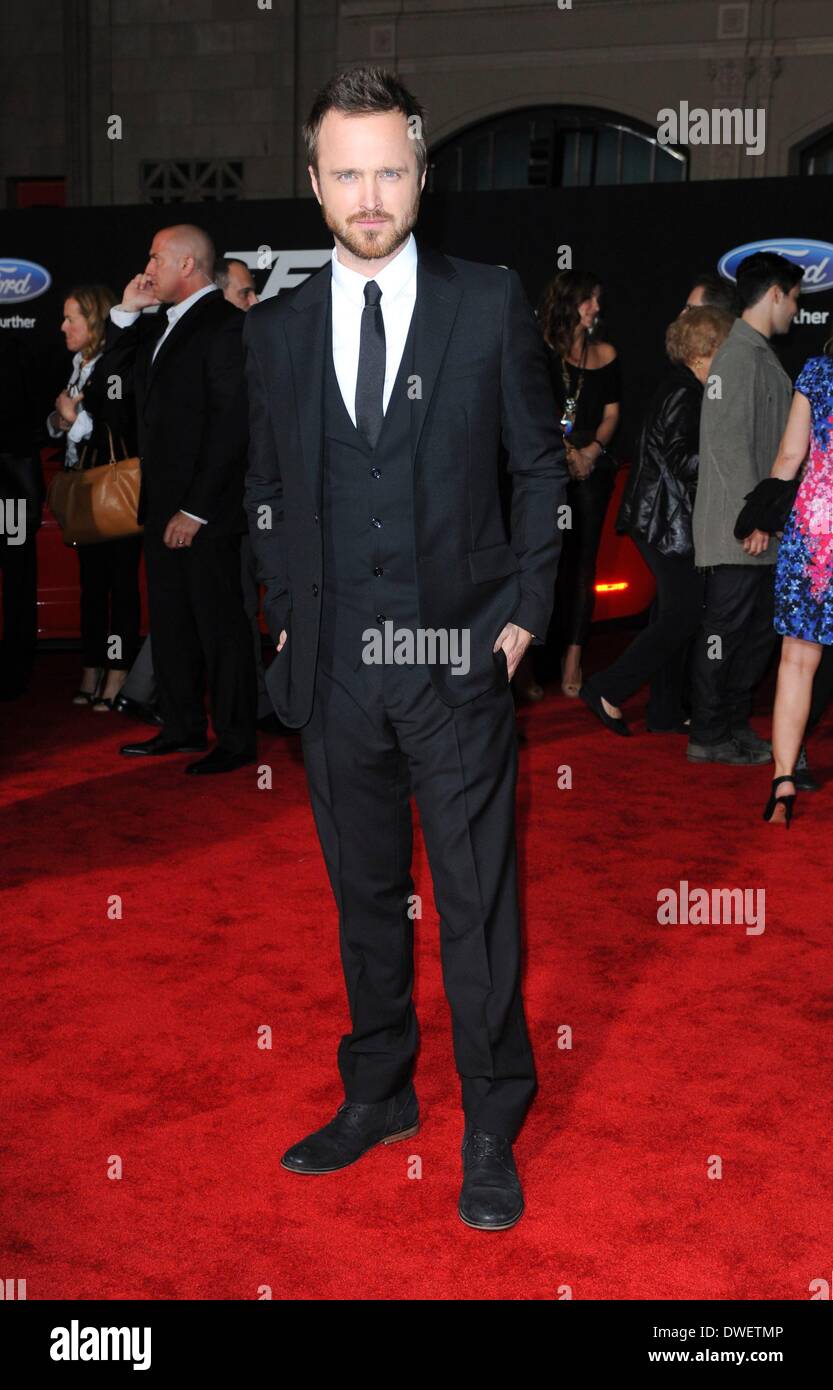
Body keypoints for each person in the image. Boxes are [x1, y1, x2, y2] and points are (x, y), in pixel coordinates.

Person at [243, 66, 567, 1230]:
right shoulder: (275, 330)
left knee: (476, 903)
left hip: (457, 659)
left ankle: (490, 1115)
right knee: (364, 898)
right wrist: (281, 616)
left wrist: (524, 609)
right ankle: (379, 1091)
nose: (369, 195)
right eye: (346, 174)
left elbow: (538, 471)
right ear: (316, 183)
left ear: (421, 172)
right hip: (332, 671)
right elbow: (267, 488)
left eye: (389, 170)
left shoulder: (484, 303)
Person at [111, 224, 257, 774]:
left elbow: (230, 427)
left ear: (187, 265)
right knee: (171, 624)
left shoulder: (224, 326)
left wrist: (195, 509)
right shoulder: (160, 326)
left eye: (155, 259)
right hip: (162, 508)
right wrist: (126, 311)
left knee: (221, 629)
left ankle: (237, 741)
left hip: (206, 515)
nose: (147, 269)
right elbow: (112, 384)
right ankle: (181, 727)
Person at [581, 306, 733, 735]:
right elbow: (684, 459)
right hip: (664, 521)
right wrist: (733, 463)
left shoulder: (684, 387)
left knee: (673, 611)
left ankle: (663, 711)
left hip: (663, 518)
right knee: (683, 614)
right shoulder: (685, 392)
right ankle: (607, 689)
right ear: (708, 349)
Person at [687, 251, 802, 765]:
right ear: (775, 292)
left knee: (752, 635)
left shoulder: (755, 352)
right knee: (725, 633)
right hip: (741, 529)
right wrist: (750, 519)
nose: (796, 310)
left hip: (758, 527)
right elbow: (727, 444)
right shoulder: (737, 355)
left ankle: (732, 726)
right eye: (795, 298)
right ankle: (709, 735)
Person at [46, 285, 142, 710]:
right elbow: (57, 422)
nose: (63, 327)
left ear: (95, 322)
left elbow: (118, 421)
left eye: (71, 319)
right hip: (85, 493)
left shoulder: (114, 364)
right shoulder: (77, 364)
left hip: (114, 490)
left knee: (119, 587)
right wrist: (60, 418)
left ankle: (118, 671)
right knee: (92, 588)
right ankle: (91, 667)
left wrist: (71, 418)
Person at [538, 269, 620, 696]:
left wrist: (589, 453)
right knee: (544, 562)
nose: (596, 308)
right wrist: (567, 452)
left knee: (584, 564)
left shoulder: (605, 353)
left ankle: (574, 657)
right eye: (590, 299)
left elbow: (611, 414)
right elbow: (531, 410)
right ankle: (530, 665)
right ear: (571, 303)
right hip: (546, 469)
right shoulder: (540, 352)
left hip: (592, 471)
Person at [763, 345, 833, 824]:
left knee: (797, 659)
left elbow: (790, 454)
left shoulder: (819, 372)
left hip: (816, 531)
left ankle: (783, 783)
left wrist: (759, 514)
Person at [0, 340, 42, 701]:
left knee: (17, 582)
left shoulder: (12, 354)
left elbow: (22, 420)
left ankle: (15, 670)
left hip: (10, 491)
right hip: (12, 489)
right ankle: (16, 669)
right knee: (17, 582)